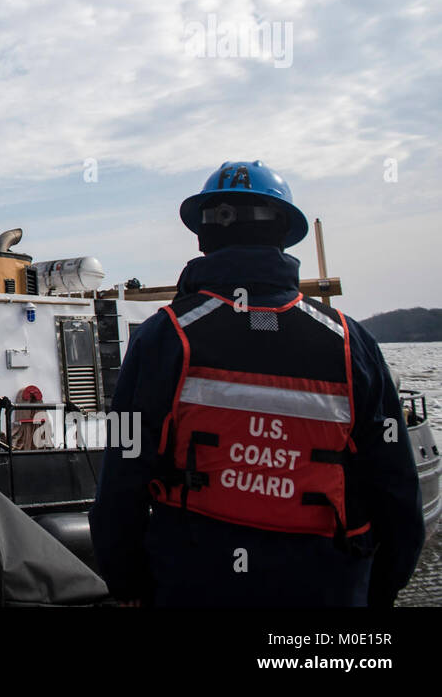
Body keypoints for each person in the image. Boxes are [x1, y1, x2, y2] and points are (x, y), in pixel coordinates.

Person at [89, 161, 424, 607]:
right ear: (284, 232)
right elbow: (398, 491)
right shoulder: (350, 344)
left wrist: (129, 584)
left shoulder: (165, 338)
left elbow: (120, 480)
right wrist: (374, 589)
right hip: (328, 585)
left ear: (203, 237)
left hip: (193, 582)